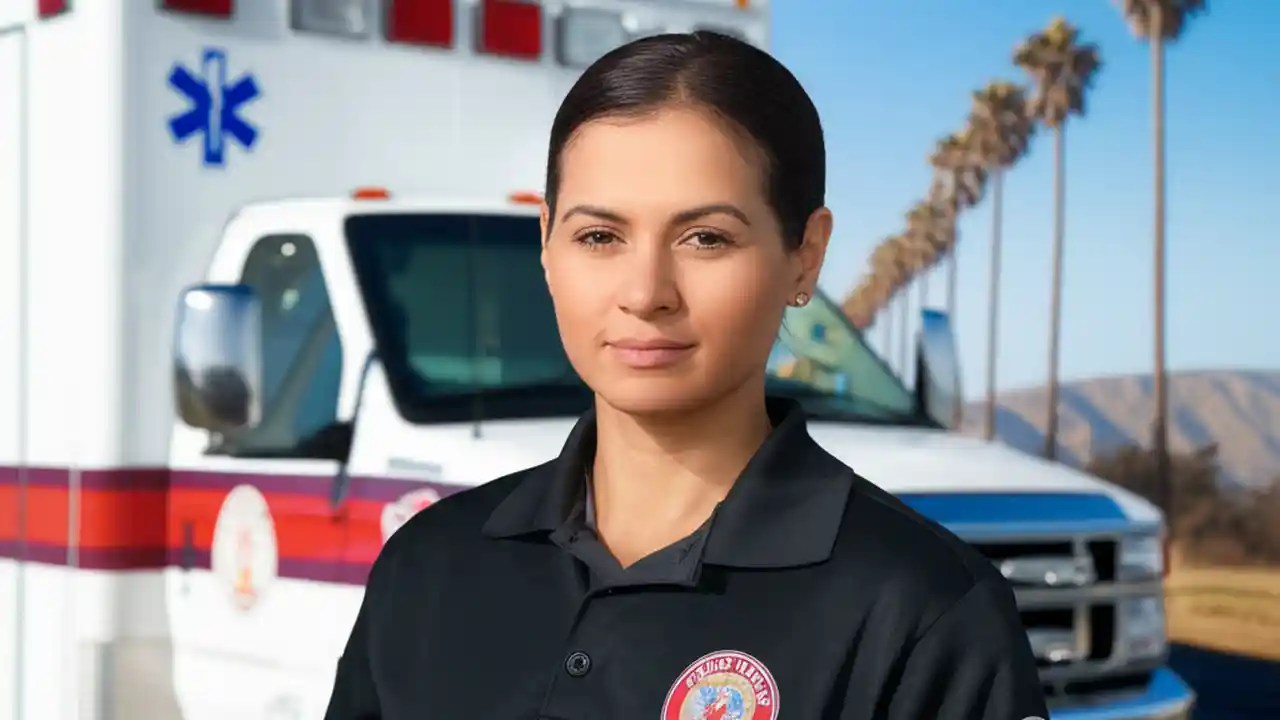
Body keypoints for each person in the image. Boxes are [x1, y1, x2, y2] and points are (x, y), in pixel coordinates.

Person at [323, 31, 1049, 720]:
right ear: (546, 244)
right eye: (599, 236)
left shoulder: (925, 609)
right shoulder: (427, 567)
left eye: (706, 238)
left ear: (806, 255)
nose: (646, 292)